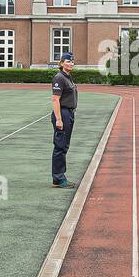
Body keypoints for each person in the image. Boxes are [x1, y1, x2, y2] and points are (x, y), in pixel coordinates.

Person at [51, 51, 79, 188]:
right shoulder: (59, 78)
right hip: (62, 114)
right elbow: (55, 99)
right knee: (60, 146)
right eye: (68, 61)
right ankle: (59, 178)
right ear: (62, 63)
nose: (71, 63)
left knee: (64, 146)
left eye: (72, 61)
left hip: (69, 113)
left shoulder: (68, 77)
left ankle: (59, 177)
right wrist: (59, 119)